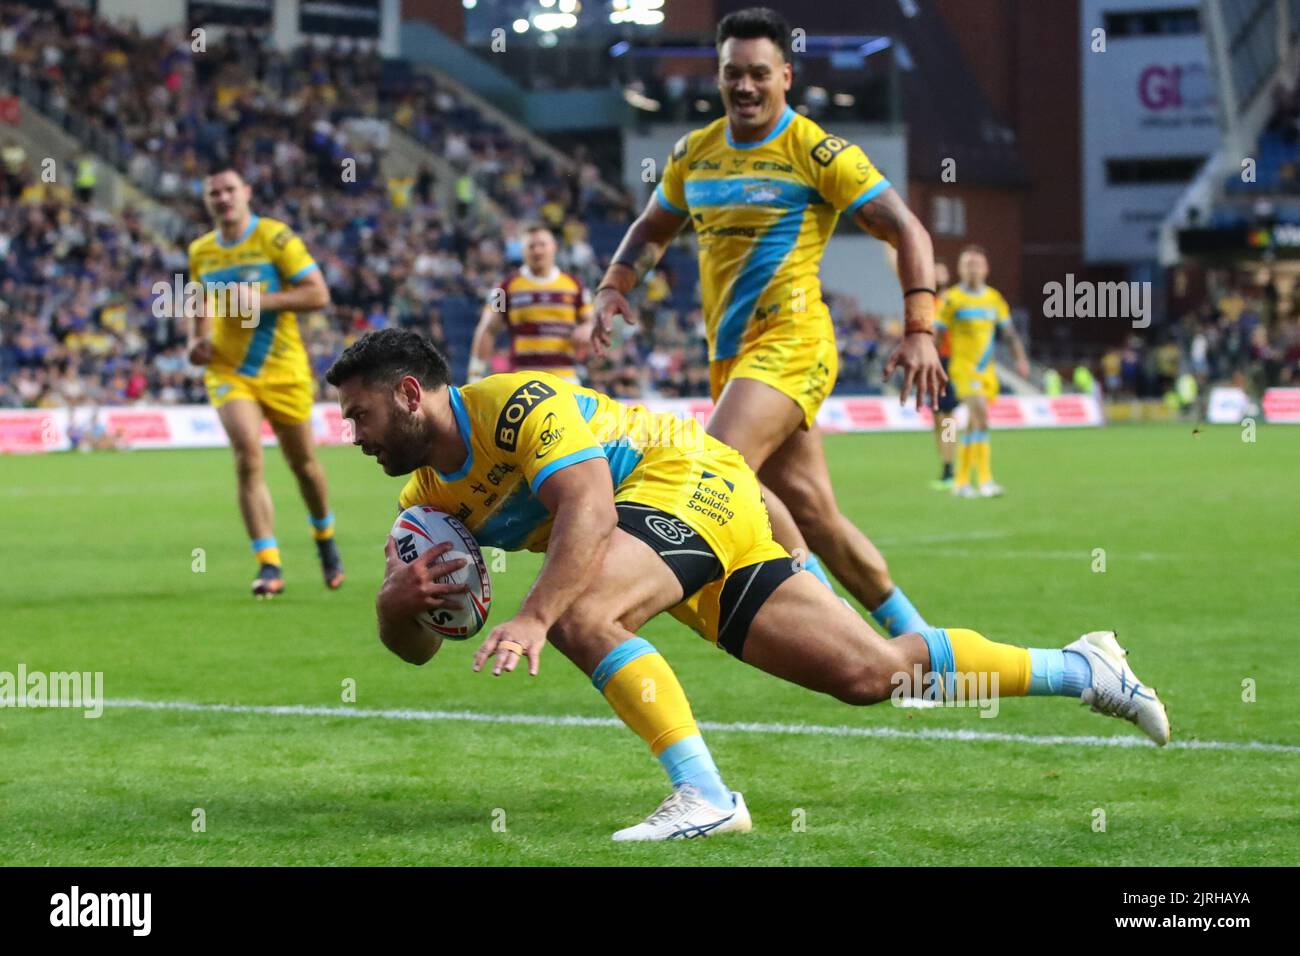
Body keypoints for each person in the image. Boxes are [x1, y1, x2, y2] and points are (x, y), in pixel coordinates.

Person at [328, 329, 1171, 842]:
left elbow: (585, 505)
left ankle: (701, 795)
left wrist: (537, 615)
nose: (353, 435)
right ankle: (1084, 667)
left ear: (410, 394)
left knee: (584, 607)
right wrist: (393, 609)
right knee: (870, 674)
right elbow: (418, 649)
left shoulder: (516, 405)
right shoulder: (425, 503)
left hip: (690, 485)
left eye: (359, 414)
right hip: (661, 536)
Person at [591, 7, 944, 638]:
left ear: (786, 74)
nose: (745, 86)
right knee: (816, 516)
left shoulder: (815, 150)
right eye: (733, 73)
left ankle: (834, 626)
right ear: (719, 76)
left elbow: (906, 227)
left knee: (717, 461)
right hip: (731, 361)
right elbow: (652, 228)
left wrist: (919, 327)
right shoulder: (693, 154)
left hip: (793, 342)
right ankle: (929, 649)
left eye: (759, 73)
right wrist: (614, 285)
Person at [187, 166, 344, 597]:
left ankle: (324, 538)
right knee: (248, 456)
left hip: (284, 369)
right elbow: (199, 301)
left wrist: (262, 300)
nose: (222, 198)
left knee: (304, 466)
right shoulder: (201, 250)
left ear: (246, 193)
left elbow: (318, 293)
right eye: (213, 191)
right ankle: (268, 563)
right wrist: (195, 341)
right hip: (228, 370)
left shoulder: (276, 238)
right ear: (207, 200)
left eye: (229, 189)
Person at [938, 245, 1030, 498]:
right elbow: (937, 334)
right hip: (958, 369)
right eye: (968, 264)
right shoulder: (950, 299)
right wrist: (933, 365)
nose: (973, 269)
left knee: (968, 423)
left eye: (977, 264)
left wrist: (1020, 359)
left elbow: (1009, 333)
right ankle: (970, 476)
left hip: (984, 372)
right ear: (959, 269)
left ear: (986, 268)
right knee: (948, 420)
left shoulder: (993, 299)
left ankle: (958, 478)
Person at [468, 224, 594, 385]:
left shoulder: (576, 285)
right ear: (523, 250)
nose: (537, 251)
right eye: (531, 246)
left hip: (565, 379)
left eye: (542, 245)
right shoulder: (503, 288)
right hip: (523, 379)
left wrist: (587, 327)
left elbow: (590, 321)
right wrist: (476, 374)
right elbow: (488, 329)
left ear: (554, 247)